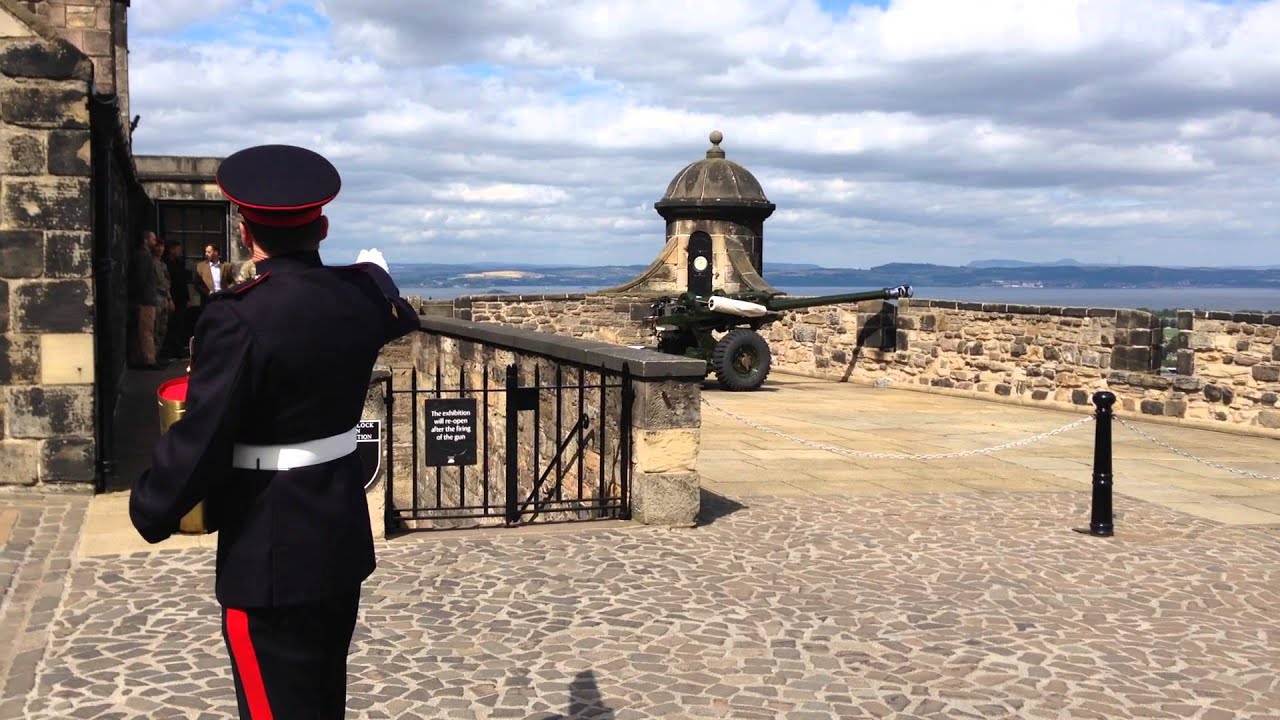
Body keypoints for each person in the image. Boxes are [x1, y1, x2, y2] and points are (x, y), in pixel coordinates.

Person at [129, 144, 420, 719]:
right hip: (337, 537)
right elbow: (401, 311)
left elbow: (206, 435)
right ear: (324, 226)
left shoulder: (236, 314)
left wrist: (152, 506)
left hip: (269, 547)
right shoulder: (358, 296)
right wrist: (374, 275)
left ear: (243, 230)